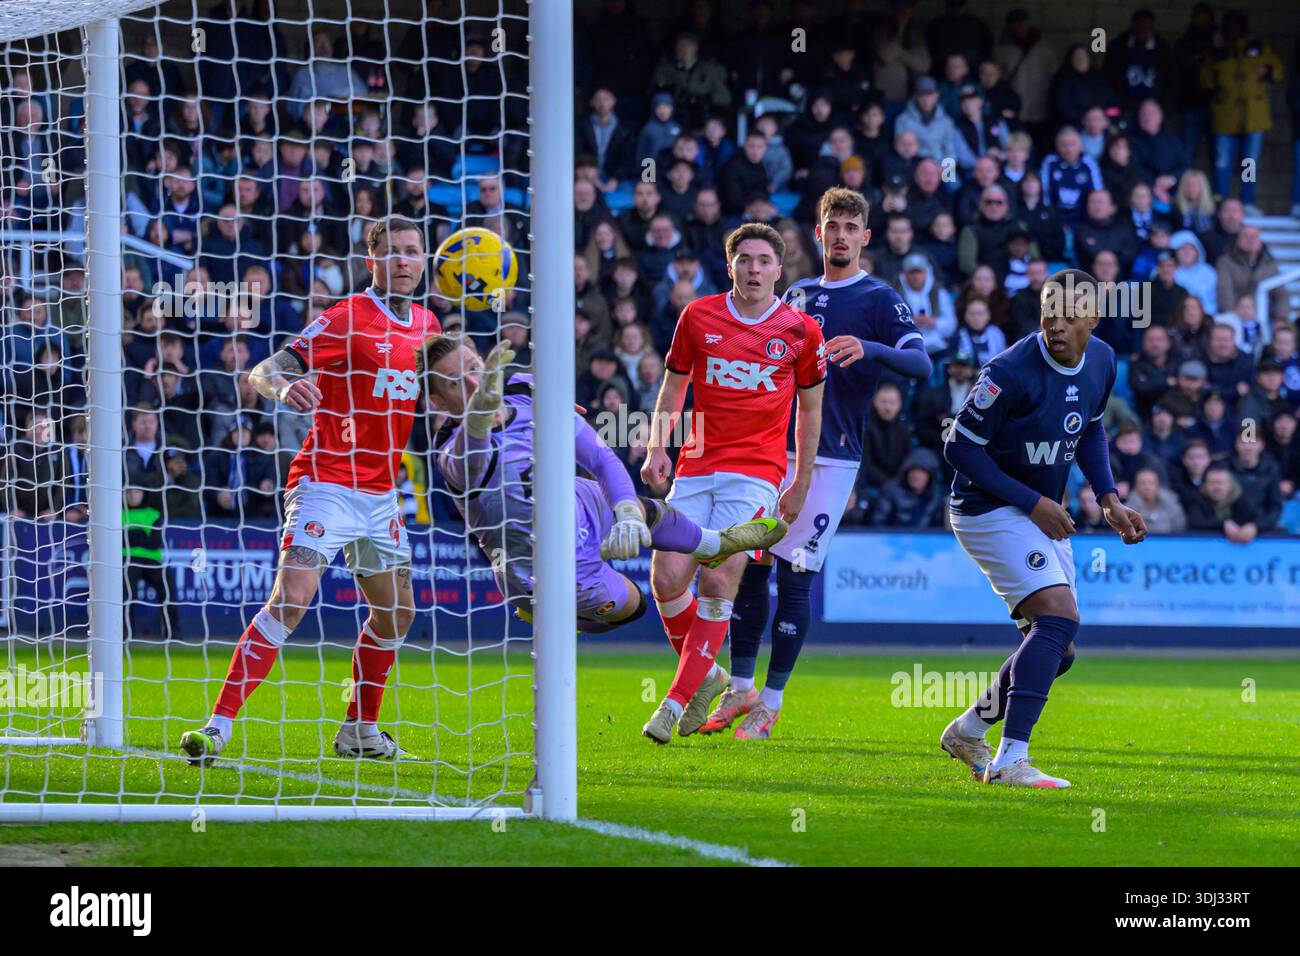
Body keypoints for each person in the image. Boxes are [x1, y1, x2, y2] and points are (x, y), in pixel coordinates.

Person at [179, 217, 441, 765]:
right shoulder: (347, 317)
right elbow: (263, 369)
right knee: (292, 600)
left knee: (397, 616)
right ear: (372, 261)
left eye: (413, 252)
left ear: (424, 260)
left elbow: (449, 397)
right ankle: (217, 726)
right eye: (391, 252)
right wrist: (284, 385)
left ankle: (359, 730)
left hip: (379, 496)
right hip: (324, 483)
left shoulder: (427, 324)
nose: (403, 261)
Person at [701, 188, 931, 740]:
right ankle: (740, 687)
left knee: (795, 577)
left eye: (852, 227)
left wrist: (871, 349)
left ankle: (772, 702)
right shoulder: (798, 294)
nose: (842, 235)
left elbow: (922, 364)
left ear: (866, 237)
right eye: (833, 225)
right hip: (770, 451)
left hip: (830, 457)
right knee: (750, 567)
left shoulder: (880, 298)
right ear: (819, 231)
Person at [423, 337, 787, 633]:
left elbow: (599, 458)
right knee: (634, 607)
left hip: (579, 503)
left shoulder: (525, 391)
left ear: (487, 366)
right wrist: (479, 417)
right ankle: (555, 617)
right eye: (455, 383)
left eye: (473, 370)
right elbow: (473, 450)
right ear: (437, 401)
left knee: (643, 509)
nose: (472, 385)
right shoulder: (452, 454)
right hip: (543, 567)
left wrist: (625, 511)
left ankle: (717, 543)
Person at [939, 269, 1146, 788]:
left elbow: (1091, 427)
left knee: (1060, 649)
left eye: (1069, 314)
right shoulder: (1008, 371)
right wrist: (1034, 502)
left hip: (1037, 510)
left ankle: (967, 731)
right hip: (986, 510)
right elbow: (959, 448)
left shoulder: (1101, 360)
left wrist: (1109, 498)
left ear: (1092, 320)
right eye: (1048, 311)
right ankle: (1009, 761)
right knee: (1058, 619)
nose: (1055, 323)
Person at [638, 222, 826, 744]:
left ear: (779, 269)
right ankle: (709, 675)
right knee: (667, 579)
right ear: (730, 265)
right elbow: (673, 389)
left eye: (764, 260)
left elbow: (810, 411)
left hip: (756, 473)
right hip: (696, 466)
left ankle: (674, 705)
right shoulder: (697, 316)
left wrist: (801, 480)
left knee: (718, 580)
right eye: (745, 259)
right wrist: (658, 447)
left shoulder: (801, 332)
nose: (754, 269)